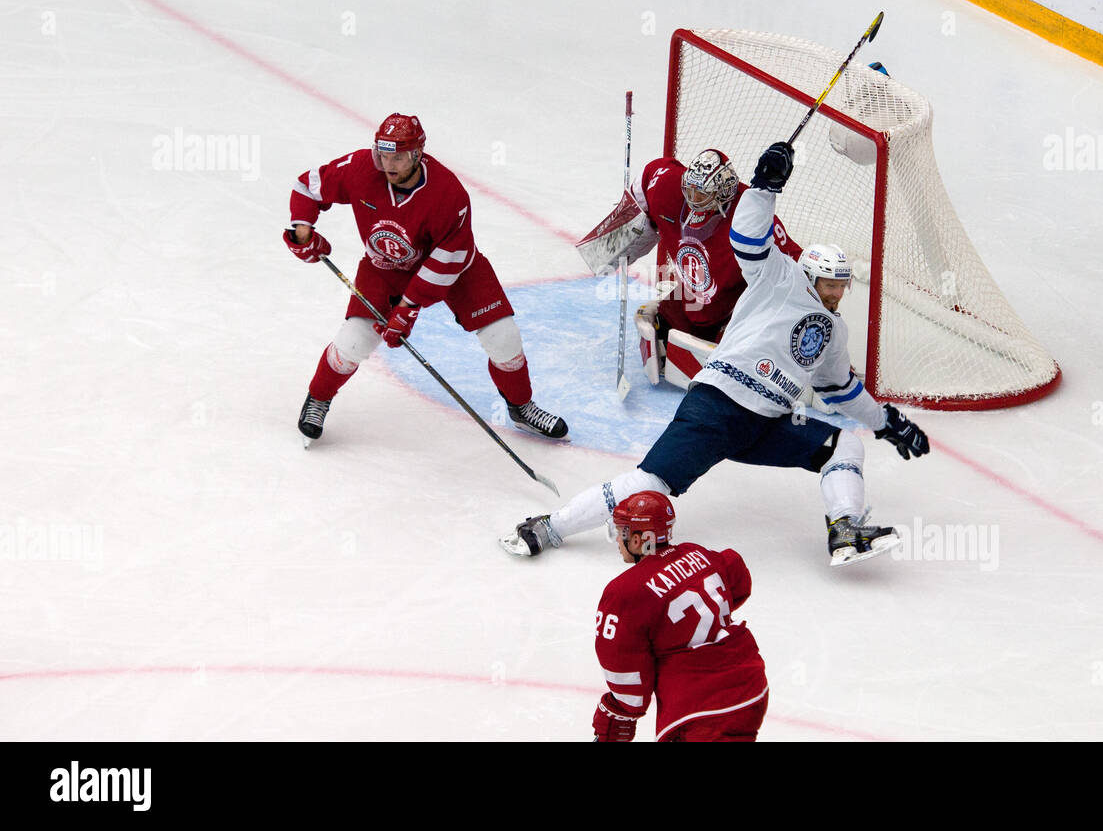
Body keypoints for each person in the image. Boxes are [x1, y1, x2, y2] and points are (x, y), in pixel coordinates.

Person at [502, 140, 930, 567]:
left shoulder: (834, 330)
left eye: (841, 286)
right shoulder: (776, 275)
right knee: (650, 482)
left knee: (844, 449)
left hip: (764, 422)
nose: (835, 293)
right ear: (807, 275)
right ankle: (548, 527)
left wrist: (886, 421)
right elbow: (747, 236)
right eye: (828, 283)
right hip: (717, 407)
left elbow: (841, 390)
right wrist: (764, 187)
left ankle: (845, 532)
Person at [283, 112, 568, 443]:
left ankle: (521, 407)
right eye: (383, 155)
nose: (388, 164)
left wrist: (408, 307)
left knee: (503, 337)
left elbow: (448, 260)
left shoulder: (448, 194)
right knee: (354, 341)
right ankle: (318, 398)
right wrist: (303, 230)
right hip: (385, 268)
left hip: (458, 269)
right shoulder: (362, 170)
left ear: (417, 154)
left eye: (398, 157)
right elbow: (309, 185)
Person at [576, 149, 802, 387]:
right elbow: (646, 180)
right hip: (692, 299)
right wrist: (621, 236)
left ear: (723, 193)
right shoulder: (667, 185)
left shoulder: (751, 217)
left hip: (734, 311)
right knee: (676, 317)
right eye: (690, 189)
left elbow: (794, 263)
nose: (693, 199)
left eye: (701, 193)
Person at [591, 492, 768, 742]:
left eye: (622, 533)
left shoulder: (627, 591)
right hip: (751, 689)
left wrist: (617, 716)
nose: (618, 541)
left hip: (701, 711)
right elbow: (738, 579)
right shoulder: (697, 553)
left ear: (639, 539)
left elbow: (624, 666)